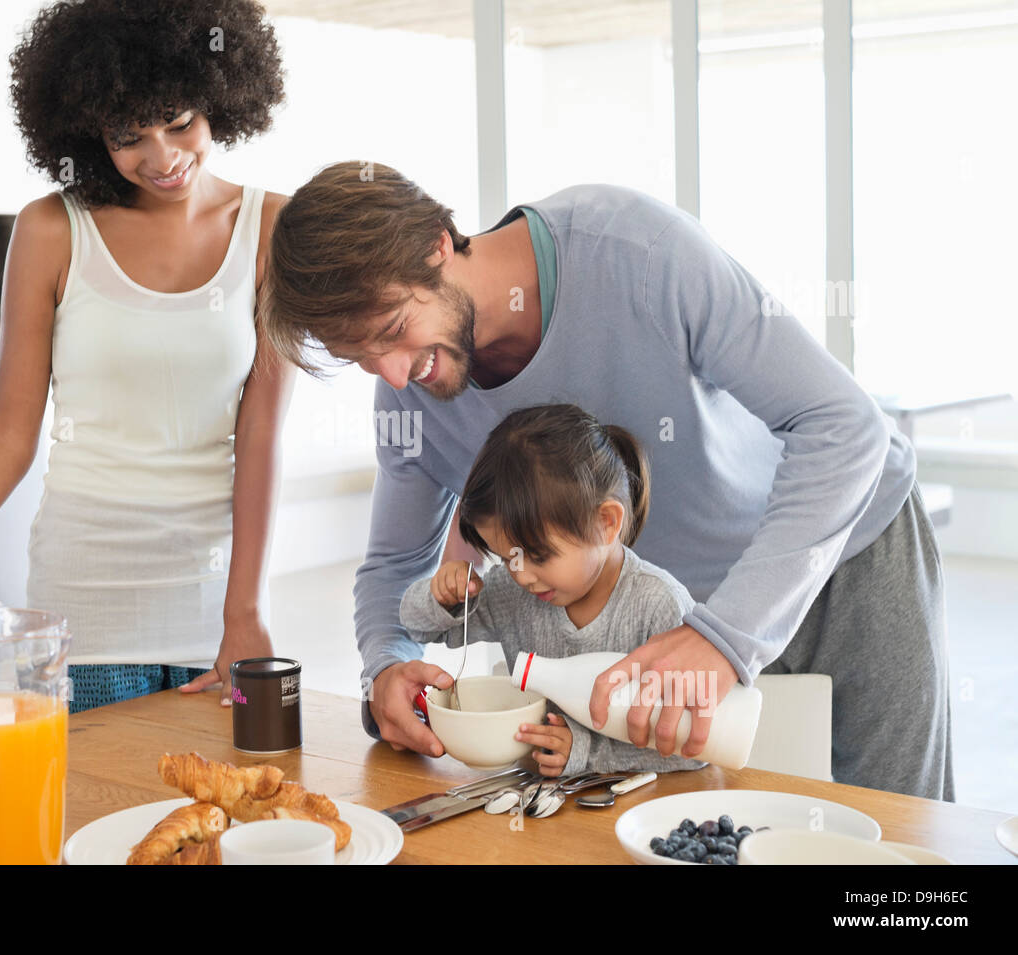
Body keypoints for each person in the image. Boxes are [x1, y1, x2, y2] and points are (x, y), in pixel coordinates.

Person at [259, 161, 954, 801]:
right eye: (361, 357)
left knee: (903, 834)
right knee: (710, 831)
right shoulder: (408, 398)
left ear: (438, 243)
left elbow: (844, 425)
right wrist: (386, 662)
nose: (393, 374)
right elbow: (392, 566)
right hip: (672, 621)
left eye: (396, 327)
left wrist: (725, 636)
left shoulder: (638, 253)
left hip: (845, 551)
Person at [0, 0, 295, 712]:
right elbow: (8, 437)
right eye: (128, 135)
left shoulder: (270, 226)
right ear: (89, 133)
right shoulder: (53, 228)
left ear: (221, 98)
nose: (163, 157)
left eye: (179, 121)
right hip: (85, 615)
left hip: (215, 614)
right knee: (90, 823)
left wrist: (245, 610)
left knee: (222, 821)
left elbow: (261, 437)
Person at [401, 404, 708, 778]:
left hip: (638, 811)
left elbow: (696, 749)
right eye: (505, 557)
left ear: (605, 523)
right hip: (537, 804)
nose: (522, 574)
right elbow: (416, 626)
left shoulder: (659, 606)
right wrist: (441, 595)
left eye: (538, 555)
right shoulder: (515, 592)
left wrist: (588, 752)